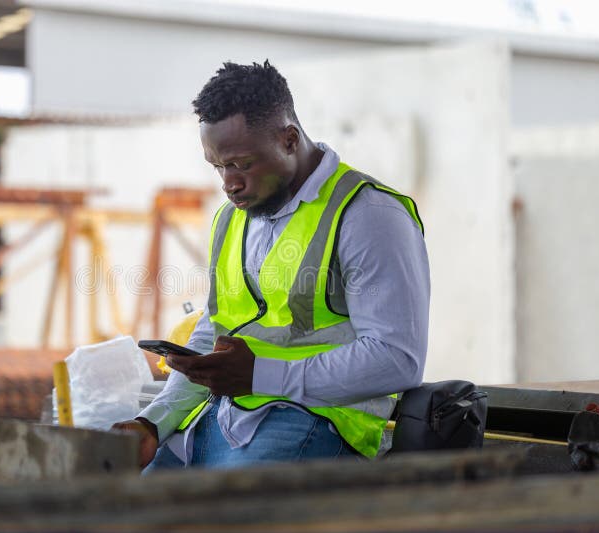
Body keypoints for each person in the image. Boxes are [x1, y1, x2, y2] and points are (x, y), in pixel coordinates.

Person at [113, 60, 430, 470]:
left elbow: (397, 358)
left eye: (242, 164)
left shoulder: (369, 215)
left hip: (316, 422)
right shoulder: (233, 217)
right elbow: (216, 327)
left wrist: (261, 377)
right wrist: (154, 422)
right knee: (124, 508)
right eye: (218, 166)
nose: (229, 183)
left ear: (289, 139)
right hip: (220, 418)